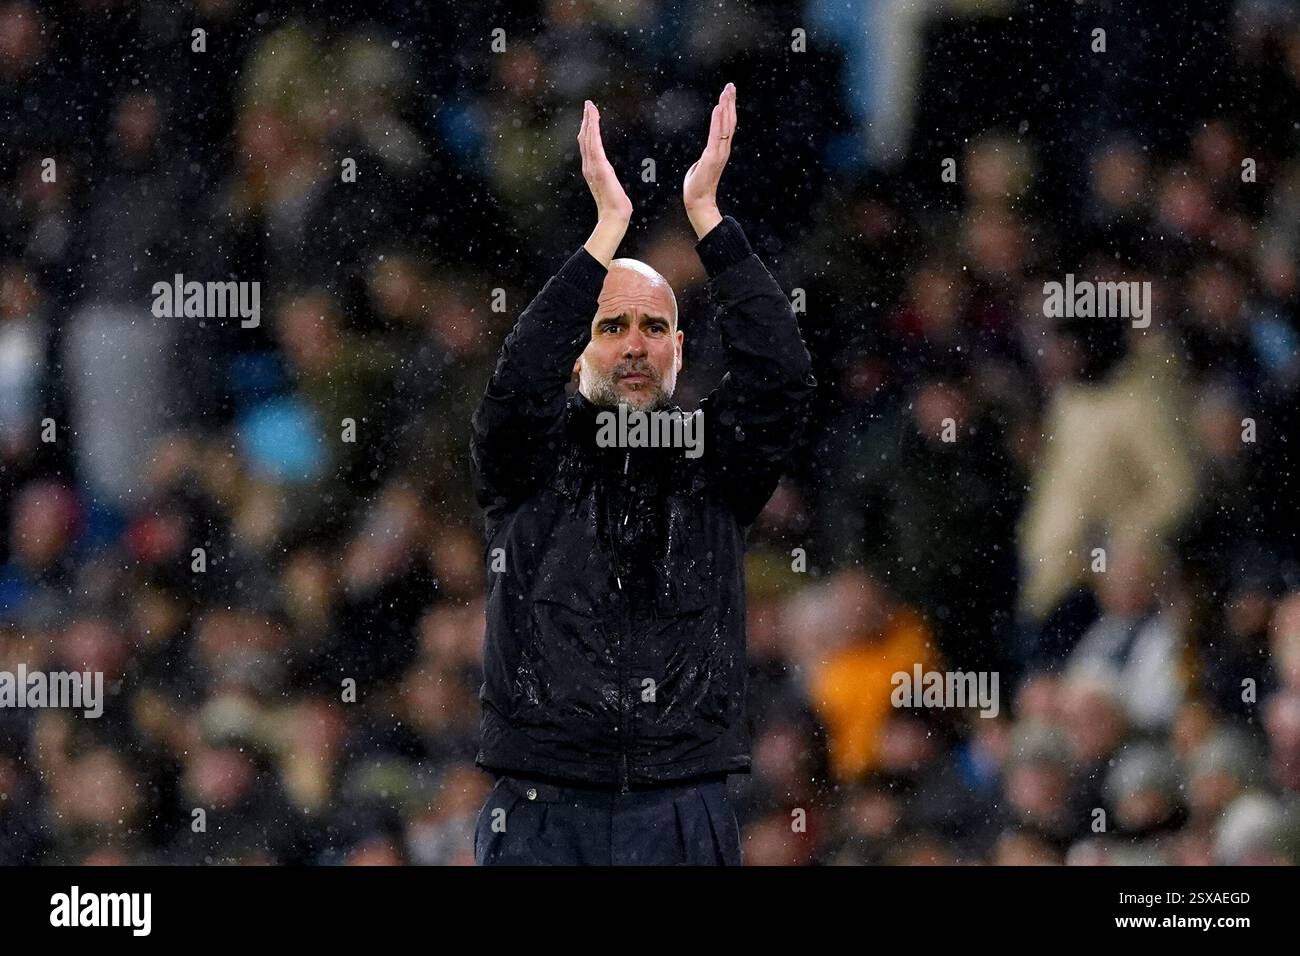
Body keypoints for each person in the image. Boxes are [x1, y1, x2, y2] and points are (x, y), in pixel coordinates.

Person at [469, 84, 816, 865]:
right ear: (579, 346)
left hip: (682, 803)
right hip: (541, 806)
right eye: (611, 325)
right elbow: (517, 383)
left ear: (680, 349)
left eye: (654, 326)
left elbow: (781, 380)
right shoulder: (528, 455)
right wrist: (606, 236)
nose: (634, 343)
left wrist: (709, 222)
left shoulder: (714, 458)